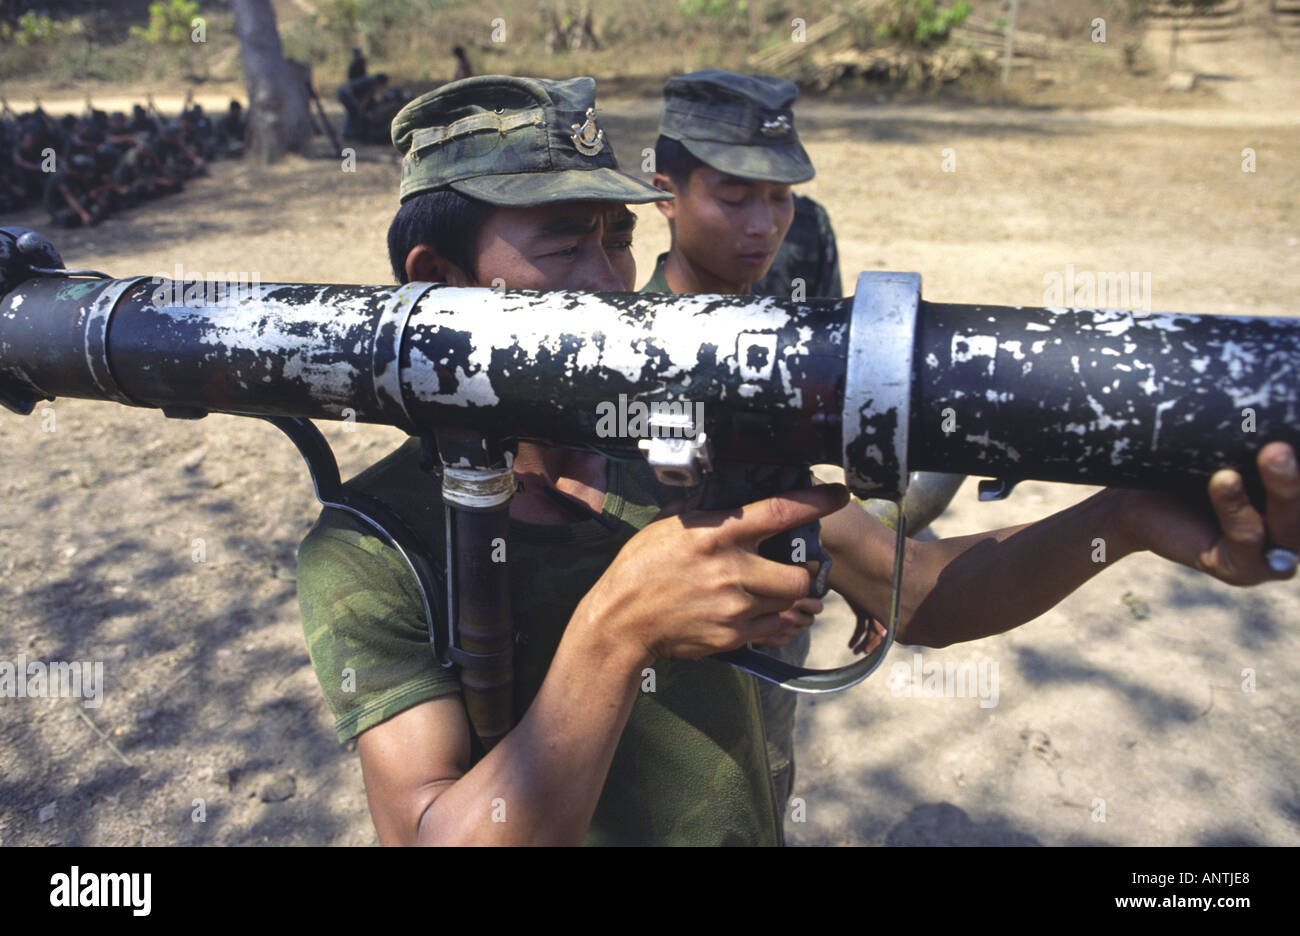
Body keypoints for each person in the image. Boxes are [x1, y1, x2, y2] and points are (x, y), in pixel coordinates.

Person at [296, 73, 1300, 847]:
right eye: (563, 249)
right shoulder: (374, 548)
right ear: (439, 279)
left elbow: (919, 596)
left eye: (616, 240)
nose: (607, 283)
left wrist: (1116, 522)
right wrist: (617, 632)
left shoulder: (689, 417)